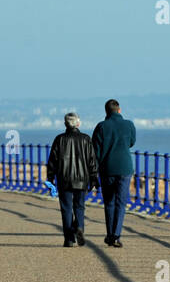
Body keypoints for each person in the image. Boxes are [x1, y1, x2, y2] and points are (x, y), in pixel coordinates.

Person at [47, 112, 99, 247]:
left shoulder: (59, 139)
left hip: (64, 180)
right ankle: (80, 227)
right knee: (79, 207)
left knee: (66, 208)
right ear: (78, 124)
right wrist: (94, 178)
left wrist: (50, 178)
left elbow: (53, 161)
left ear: (65, 124)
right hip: (82, 179)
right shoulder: (86, 139)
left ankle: (69, 239)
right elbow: (92, 161)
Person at [92, 98, 136, 247]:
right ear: (119, 110)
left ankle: (110, 235)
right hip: (125, 168)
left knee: (109, 202)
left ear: (106, 111)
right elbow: (131, 142)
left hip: (107, 169)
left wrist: (93, 171)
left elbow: (95, 152)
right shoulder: (129, 125)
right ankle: (116, 235)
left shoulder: (101, 126)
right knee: (121, 203)